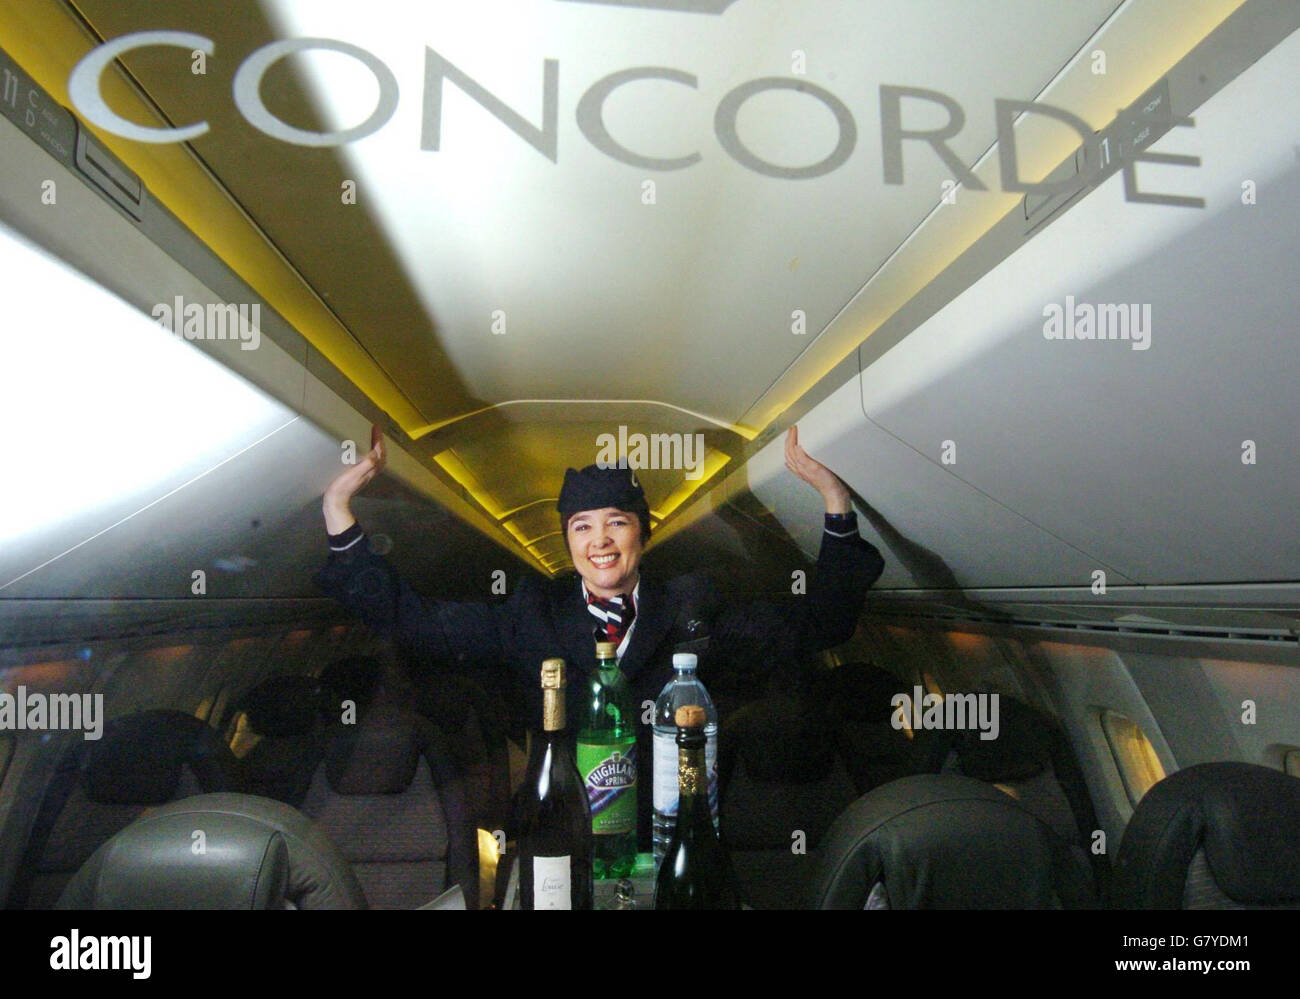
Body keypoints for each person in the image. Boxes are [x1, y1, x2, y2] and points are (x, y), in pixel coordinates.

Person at [315, 426, 885, 849]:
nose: (600, 541)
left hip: (669, 836)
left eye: (617, 521)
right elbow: (416, 624)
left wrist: (835, 505)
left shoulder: (694, 610)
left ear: (644, 532)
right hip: (564, 835)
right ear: (568, 542)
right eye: (582, 527)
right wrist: (338, 511)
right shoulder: (532, 614)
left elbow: (822, 624)